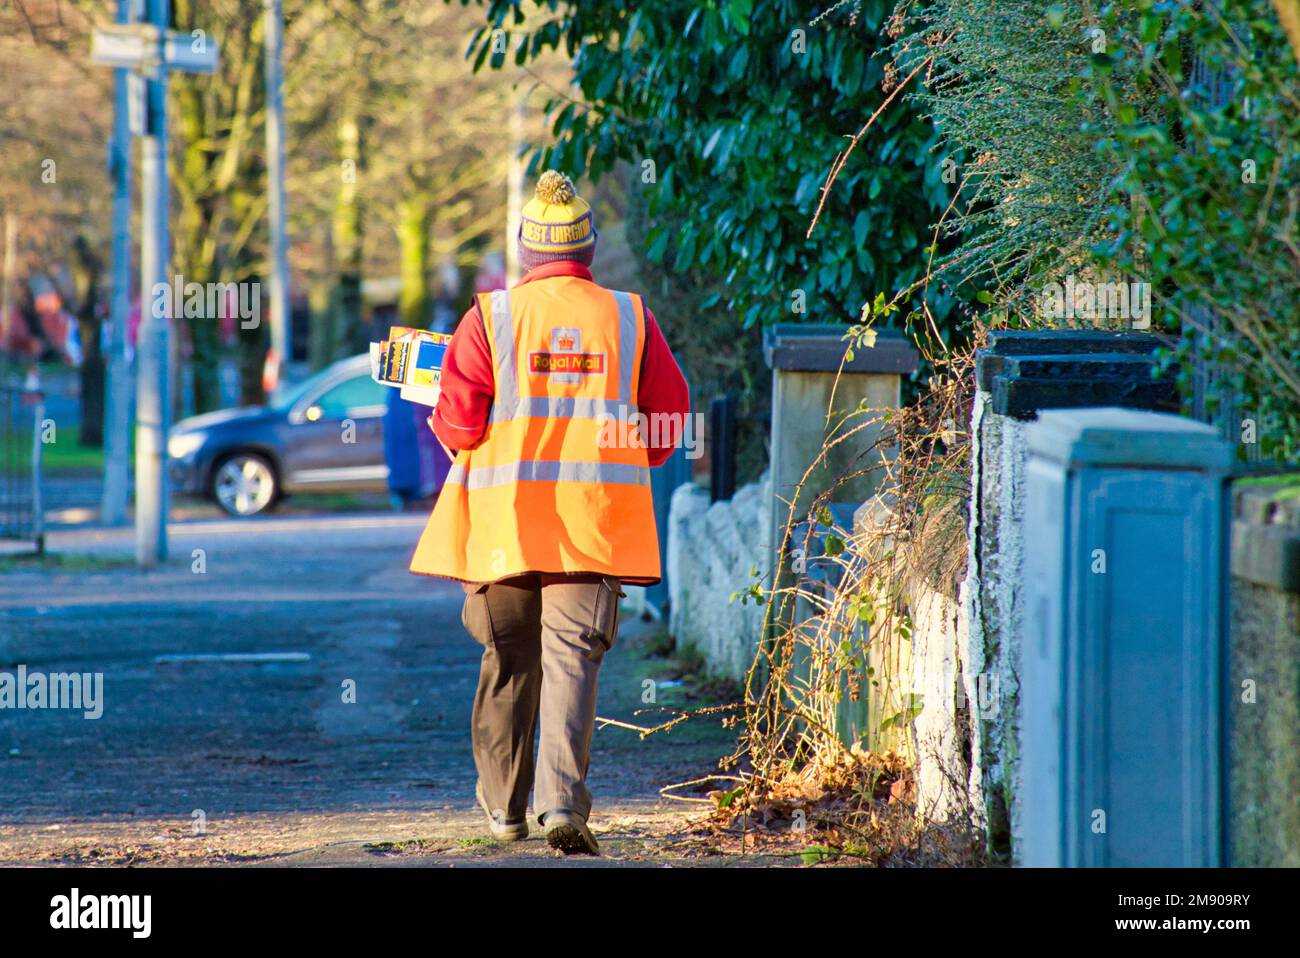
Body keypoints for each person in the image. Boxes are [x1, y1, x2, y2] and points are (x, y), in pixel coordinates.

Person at [409, 171, 689, 855]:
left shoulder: (490, 318)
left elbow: (460, 424)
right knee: (571, 660)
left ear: (526, 253)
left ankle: (504, 811)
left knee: (509, 660)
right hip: (592, 524)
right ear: (588, 250)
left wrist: (452, 416)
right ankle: (560, 806)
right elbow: (668, 420)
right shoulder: (629, 317)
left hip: (503, 527)